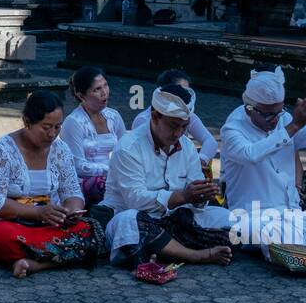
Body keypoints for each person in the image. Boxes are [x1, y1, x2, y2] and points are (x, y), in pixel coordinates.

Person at [0, 90, 107, 278]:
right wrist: (38, 212)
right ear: (27, 122)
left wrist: (69, 212)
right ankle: (54, 257)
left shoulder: (61, 150)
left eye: (57, 127)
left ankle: (34, 264)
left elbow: (72, 191)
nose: (52, 134)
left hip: (46, 225)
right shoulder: (0, 152)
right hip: (3, 223)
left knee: (91, 231)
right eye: (46, 127)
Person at [99, 85, 234, 268]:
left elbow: (194, 201)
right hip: (135, 222)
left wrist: (201, 196)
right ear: (155, 117)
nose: (178, 133)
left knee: (231, 221)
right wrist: (183, 196)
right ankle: (195, 255)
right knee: (130, 221)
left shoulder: (187, 147)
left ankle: (164, 250)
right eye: (173, 126)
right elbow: (135, 200)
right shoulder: (128, 148)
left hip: (174, 221)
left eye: (184, 127)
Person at [220, 66, 306, 251]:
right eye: (269, 114)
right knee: (279, 236)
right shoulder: (232, 129)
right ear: (248, 109)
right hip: (250, 218)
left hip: (291, 213)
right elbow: (251, 155)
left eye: (279, 112)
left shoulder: (284, 120)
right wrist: (294, 126)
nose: (275, 120)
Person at [59, 66, 126, 205]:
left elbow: (126, 147)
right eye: (97, 89)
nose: (104, 93)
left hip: (115, 173)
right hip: (86, 179)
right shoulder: (74, 122)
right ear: (81, 95)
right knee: (113, 186)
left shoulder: (113, 116)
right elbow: (77, 166)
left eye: (105, 85)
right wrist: (111, 170)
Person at [131, 69, 218, 160]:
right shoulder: (143, 120)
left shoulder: (188, 116)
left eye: (186, 92)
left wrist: (201, 160)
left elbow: (210, 142)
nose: (177, 134)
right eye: (172, 125)